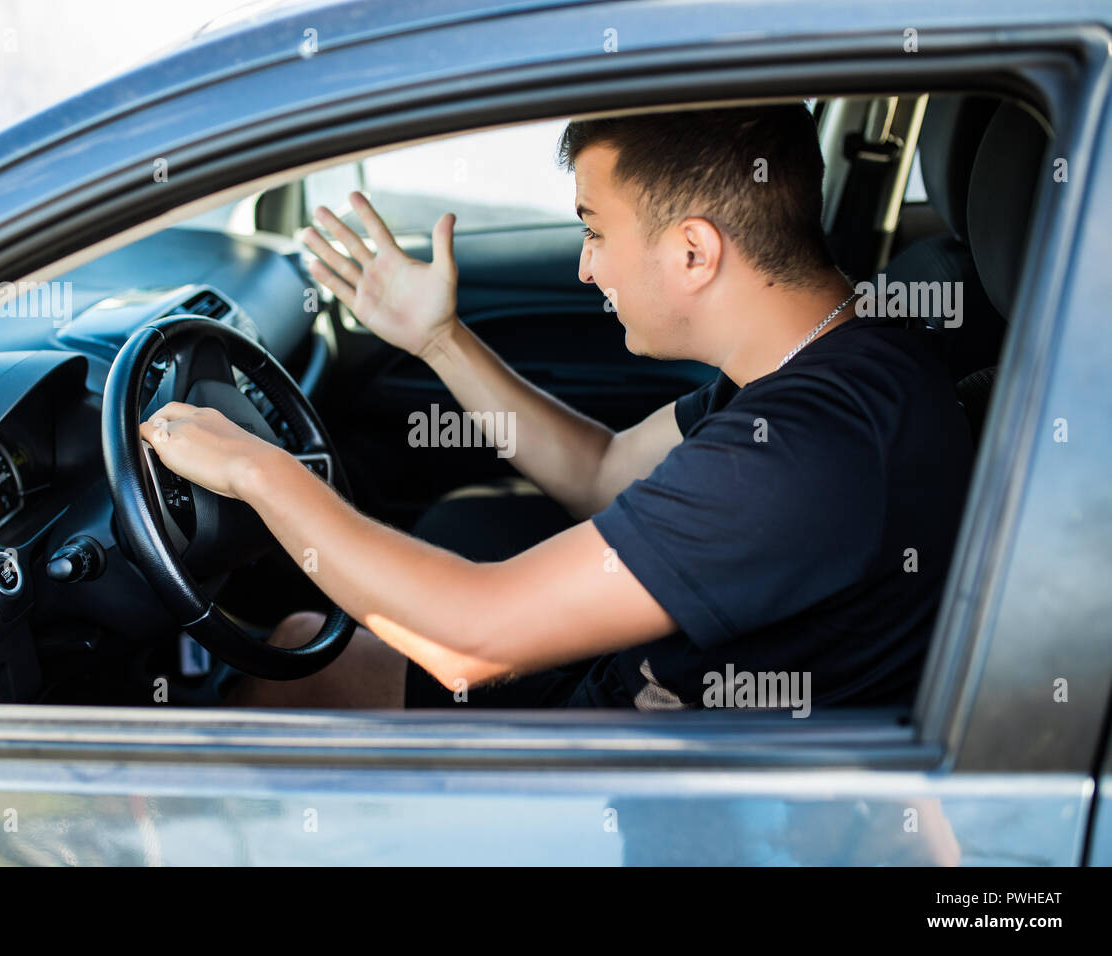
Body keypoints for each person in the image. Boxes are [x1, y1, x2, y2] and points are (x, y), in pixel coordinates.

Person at [140, 104, 974, 711]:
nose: (585, 269)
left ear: (693, 251)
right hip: (625, 694)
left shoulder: (801, 452)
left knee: (271, 691)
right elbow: (606, 471)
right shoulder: (836, 359)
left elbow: (469, 641)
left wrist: (255, 468)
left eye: (595, 230)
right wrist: (439, 342)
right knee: (289, 647)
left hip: (648, 787)